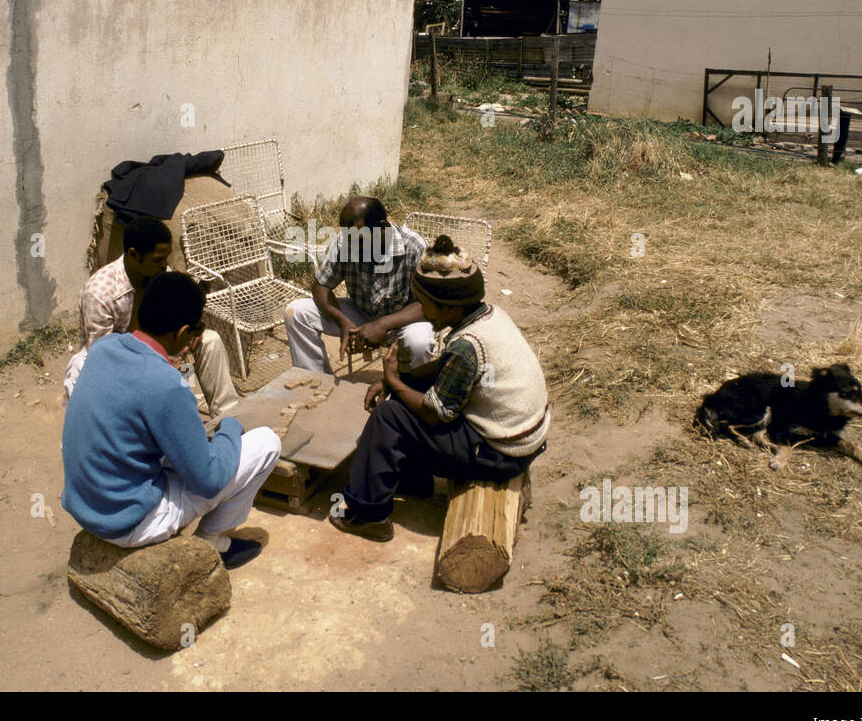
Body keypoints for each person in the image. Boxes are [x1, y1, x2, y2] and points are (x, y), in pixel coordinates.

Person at [330, 235, 550, 542]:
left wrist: (393, 381)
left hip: (502, 454)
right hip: (525, 436)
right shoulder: (489, 316)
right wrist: (401, 379)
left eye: (425, 303)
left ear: (447, 308)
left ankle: (369, 515)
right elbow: (446, 368)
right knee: (404, 397)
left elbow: (436, 413)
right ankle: (415, 483)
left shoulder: (467, 346)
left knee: (388, 415)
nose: (421, 309)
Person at [61, 271, 281, 568]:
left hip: (87, 506)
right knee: (267, 442)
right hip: (128, 523)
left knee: (176, 448)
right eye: (197, 330)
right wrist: (230, 427)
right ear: (183, 333)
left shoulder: (103, 348)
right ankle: (210, 545)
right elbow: (209, 481)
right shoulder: (166, 384)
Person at [63, 216, 237, 417]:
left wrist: (191, 329)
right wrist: (159, 362)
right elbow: (104, 357)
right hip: (120, 365)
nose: (165, 265)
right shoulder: (100, 293)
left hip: (160, 347)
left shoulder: (160, 273)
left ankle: (227, 417)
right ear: (134, 254)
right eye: (158, 260)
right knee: (170, 383)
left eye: (167, 258)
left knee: (210, 341)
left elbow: (181, 312)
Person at [283, 196, 434, 374]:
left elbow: (428, 304)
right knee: (297, 312)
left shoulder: (414, 247)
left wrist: (382, 325)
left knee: (419, 340)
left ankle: (408, 392)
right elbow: (320, 287)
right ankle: (316, 380)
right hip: (361, 314)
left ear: (382, 228)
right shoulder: (346, 242)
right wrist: (343, 322)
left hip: (402, 322)